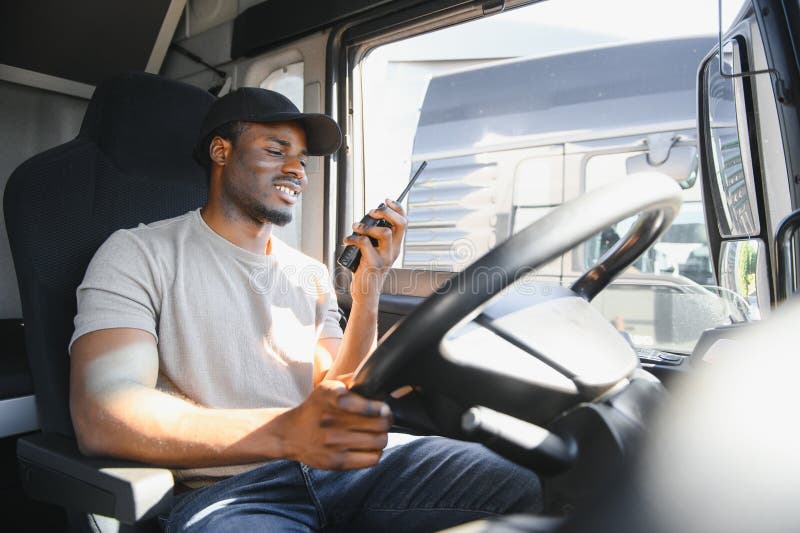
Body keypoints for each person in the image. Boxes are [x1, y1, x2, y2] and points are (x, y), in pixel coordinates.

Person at [68, 87, 542, 532]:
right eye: (276, 151)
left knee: (514, 480)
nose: (297, 170)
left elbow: (338, 386)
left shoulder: (308, 273)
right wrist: (285, 433)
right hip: (230, 489)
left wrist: (368, 288)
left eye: (302, 160)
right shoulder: (139, 252)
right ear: (221, 152)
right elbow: (105, 412)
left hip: (338, 470)